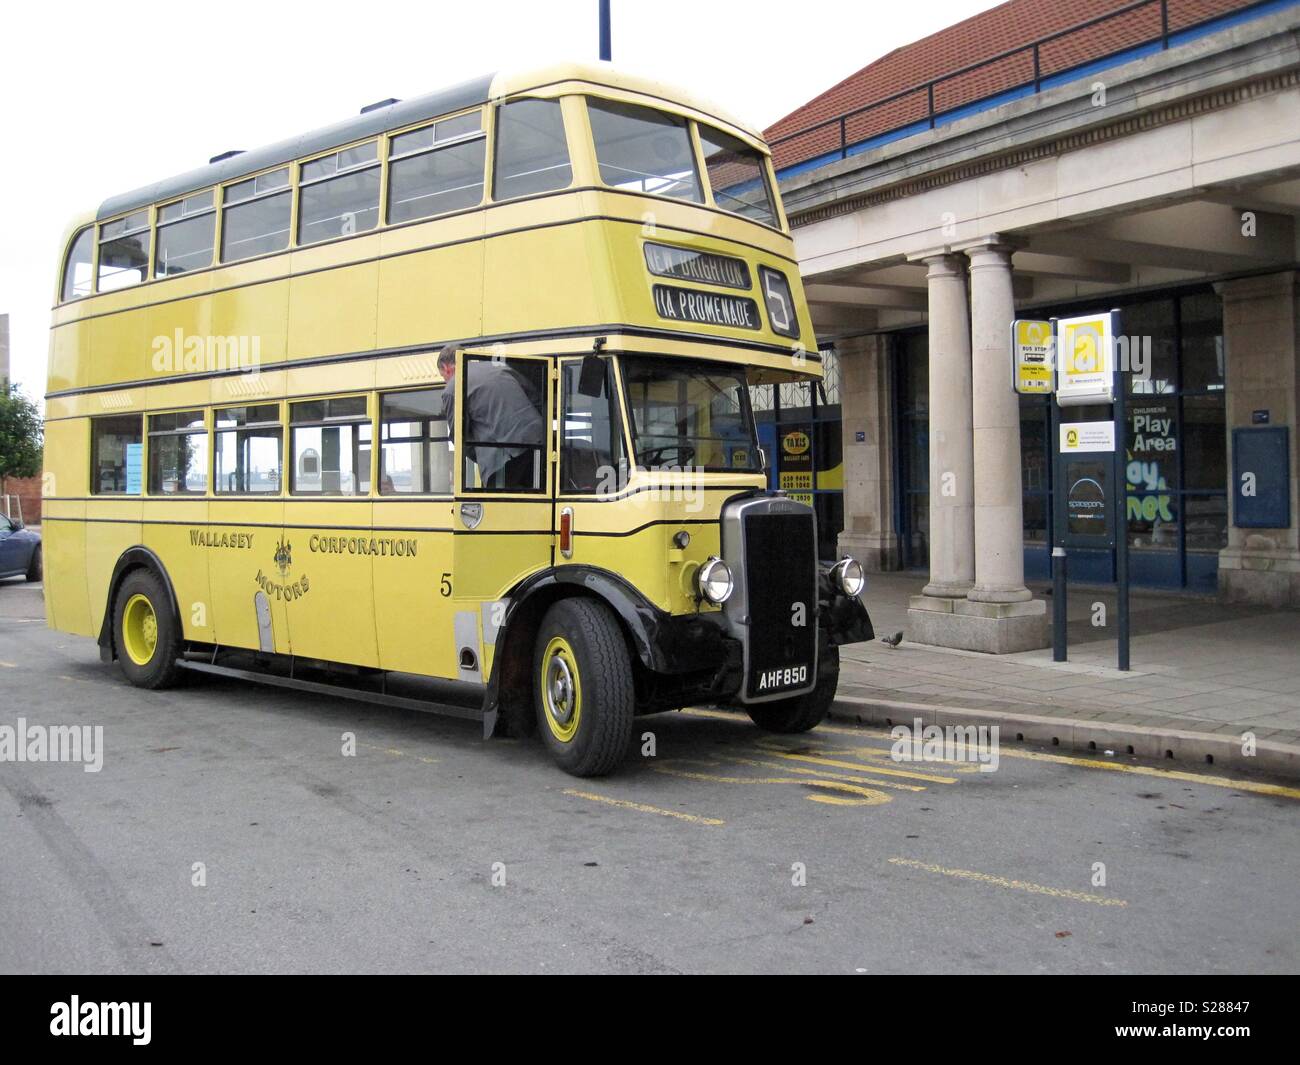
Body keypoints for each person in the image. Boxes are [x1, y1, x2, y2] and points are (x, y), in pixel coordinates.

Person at [438, 344, 545, 489]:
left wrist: (481, 454)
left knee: (499, 507)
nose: (446, 381)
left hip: (504, 456)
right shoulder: (499, 367)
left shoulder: (453, 387)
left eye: (443, 377)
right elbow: (535, 397)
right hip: (539, 442)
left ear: (446, 368)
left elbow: (459, 436)